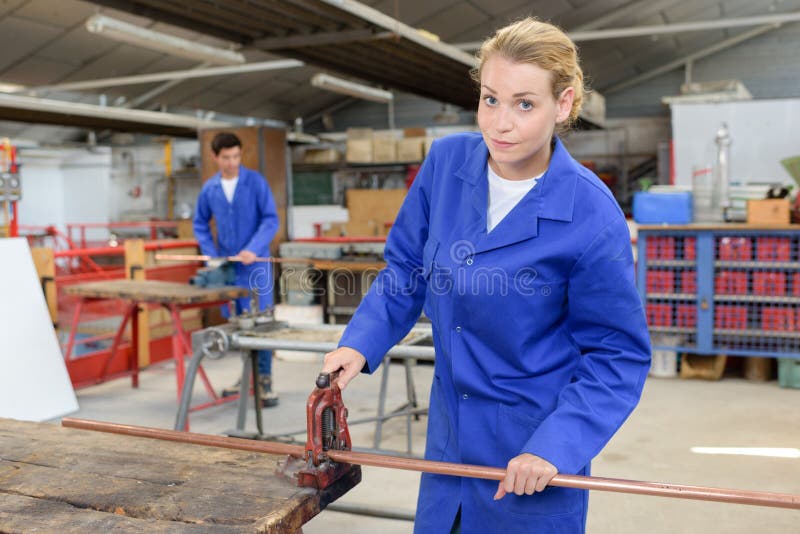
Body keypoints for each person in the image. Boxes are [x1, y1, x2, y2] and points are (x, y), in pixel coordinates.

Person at [322, 17, 651, 533]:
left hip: (529, 460)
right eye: (490, 99)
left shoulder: (592, 215)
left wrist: (554, 447)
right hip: (449, 450)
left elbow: (617, 356)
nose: (499, 123)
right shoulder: (446, 164)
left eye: (524, 104)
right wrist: (360, 342)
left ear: (562, 105)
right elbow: (407, 269)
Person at [193, 132, 280, 407]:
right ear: (215, 157)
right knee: (238, 324)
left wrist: (253, 248)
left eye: (236, 156)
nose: (232, 162)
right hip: (230, 269)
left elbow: (270, 219)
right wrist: (212, 256)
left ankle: (264, 380)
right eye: (226, 157)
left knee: (261, 322)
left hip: (256, 266)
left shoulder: (256, 183)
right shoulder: (210, 189)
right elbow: (199, 224)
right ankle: (247, 377)